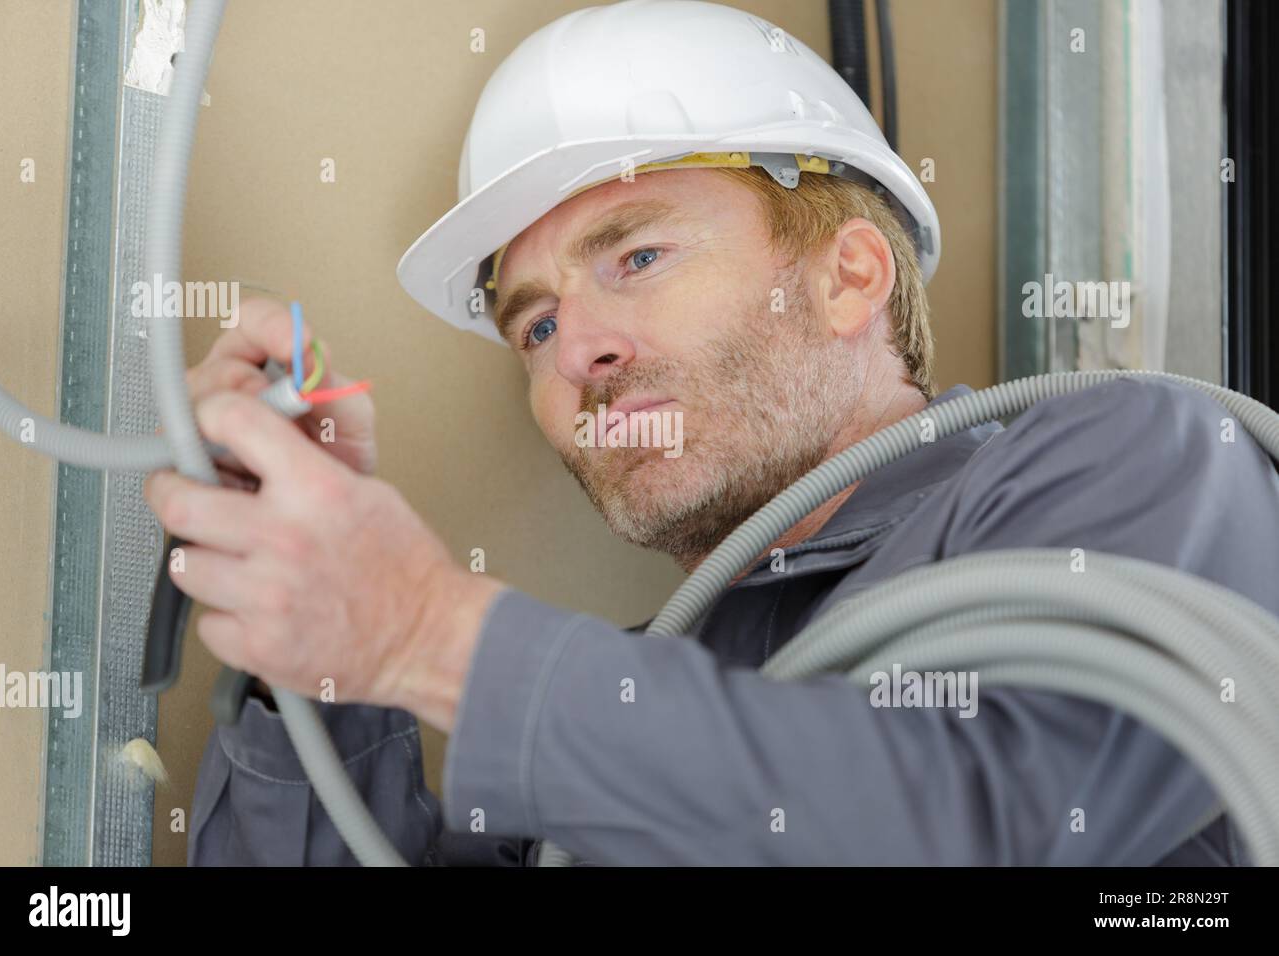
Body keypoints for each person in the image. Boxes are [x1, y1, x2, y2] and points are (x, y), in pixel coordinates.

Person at [143, 0, 1279, 865]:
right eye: (532, 323)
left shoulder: (1137, 456)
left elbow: (1008, 813)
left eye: (636, 256)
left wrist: (430, 634)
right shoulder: (633, 694)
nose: (573, 348)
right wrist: (332, 664)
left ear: (847, 278)